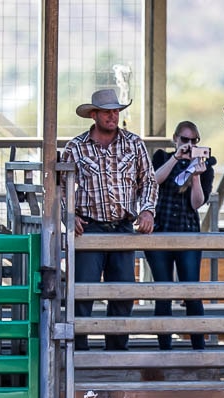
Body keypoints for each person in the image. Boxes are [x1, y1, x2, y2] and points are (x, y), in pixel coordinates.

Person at [62, 88, 159, 351]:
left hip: (123, 227)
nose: (112, 116)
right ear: (94, 115)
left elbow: (148, 180)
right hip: (89, 228)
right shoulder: (75, 148)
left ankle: (116, 350)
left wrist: (147, 209)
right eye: (107, 112)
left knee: (123, 293)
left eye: (116, 111)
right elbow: (60, 187)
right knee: (82, 293)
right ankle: (78, 352)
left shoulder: (134, 144)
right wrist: (68, 215)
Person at [145, 121, 213, 350]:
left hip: (187, 233)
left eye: (194, 141)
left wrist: (195, 175)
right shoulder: (161, 157)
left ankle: (198, 349)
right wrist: (176, 158)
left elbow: (197, 204)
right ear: (175, 139)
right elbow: (153, 181)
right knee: (163, 291)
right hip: (160, 231)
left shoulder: (205, 165)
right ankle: (164, 348)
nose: (188, 144)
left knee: (192, 292)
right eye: (184, 140)